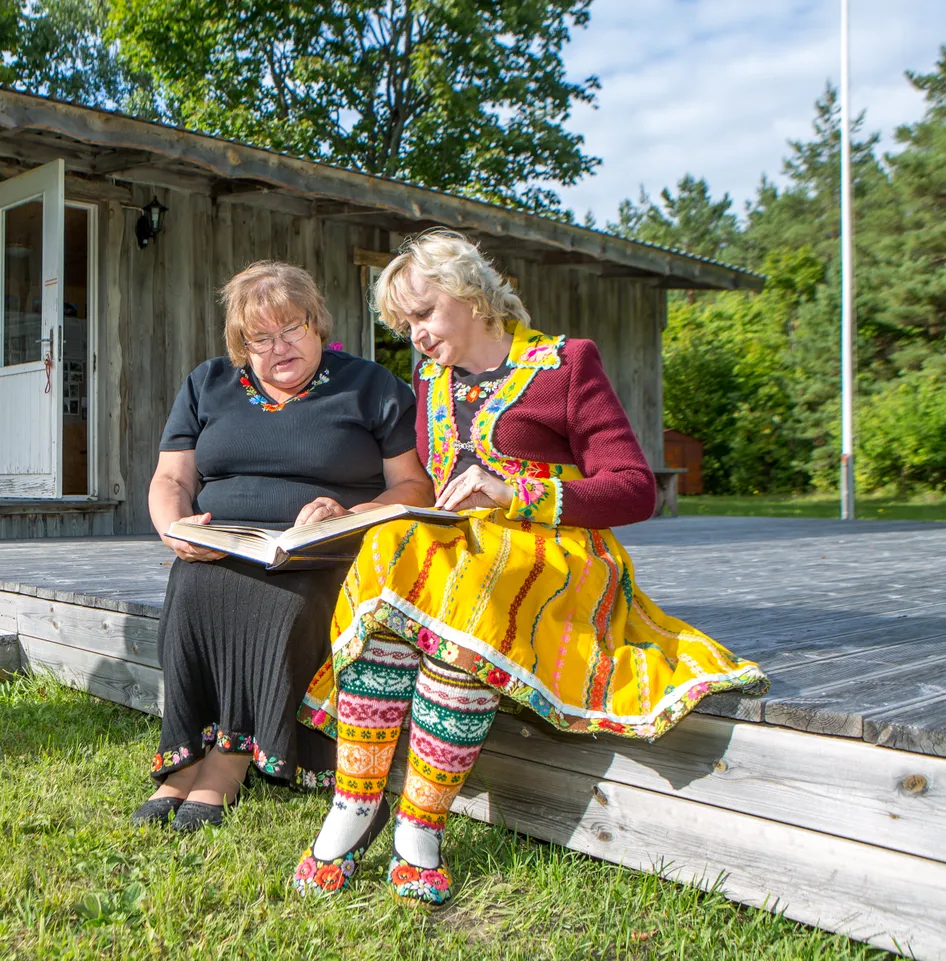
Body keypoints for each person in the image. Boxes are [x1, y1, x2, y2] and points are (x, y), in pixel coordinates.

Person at [290, 229, 768, 902]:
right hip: (463, 546)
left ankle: (419, 826)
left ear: (470, 292)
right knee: (389, 550)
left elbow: (634, 487)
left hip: (556, 549)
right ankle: (354, 805)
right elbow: (429, 487)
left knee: (474, 584)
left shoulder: (567, 363)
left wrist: (519, 493)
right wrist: (350, 509)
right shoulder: (431, 378)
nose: (417, 336)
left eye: (423, 314)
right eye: (404, 325)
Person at [132, 261, 435, 832]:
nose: (279, 347)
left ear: (317, 324)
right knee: (193, 583)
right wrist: (175, 528)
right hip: (226, 540)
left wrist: (349, 515)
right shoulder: (207, 383)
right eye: (261, 338)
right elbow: (171, 478)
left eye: (291, 329)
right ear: (242, 346)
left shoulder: (371, 387)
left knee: (285, 599)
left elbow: (414, 487)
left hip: (321, 551)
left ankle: (227, 762)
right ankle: (187, 755)